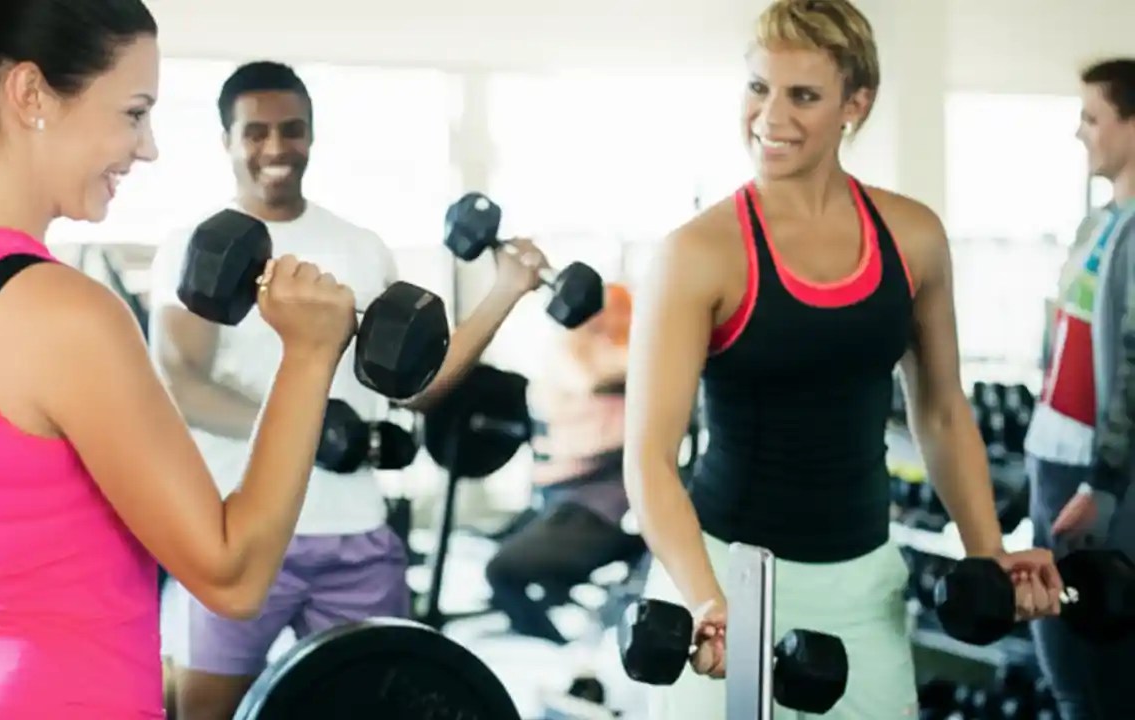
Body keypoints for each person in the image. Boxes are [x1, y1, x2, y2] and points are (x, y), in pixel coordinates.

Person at [0, 1, 364, 718]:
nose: (147, 146)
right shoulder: (61, 311)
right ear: (30, 94)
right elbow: (233, 574)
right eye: (133, 112)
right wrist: (309, 357)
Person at [622, 1, 1063, 718]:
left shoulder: (912, 236)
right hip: (720, 575)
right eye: (758, 87)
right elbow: (648, 458)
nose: (770, 117)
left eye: (803, 95)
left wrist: (988, 554)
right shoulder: (697, 253)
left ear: (856, 104)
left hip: (861, 582)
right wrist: (707, 598)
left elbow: (943, 411)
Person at [148, 60, 550, 720]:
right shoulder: (193, 246)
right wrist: (313, 431)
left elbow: (415, 391)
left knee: (375, 706)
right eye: (255, 132)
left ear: (312, 135)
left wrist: (506, 291)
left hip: (354, 535)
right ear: (226, 140)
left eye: (292, 129)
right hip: (236, 529)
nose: (275, 147)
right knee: (204, 715)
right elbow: (182, 386)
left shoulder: (359, 248)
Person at [1022, 57, 1135, 720]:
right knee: (1063, 673)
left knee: (1098, 679)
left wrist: (1106, 482)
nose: (1080, 132)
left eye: (1093, 117)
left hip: (1095, 482)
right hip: (1053, 462)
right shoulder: (1099, 225)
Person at [485, 283, 645, 646]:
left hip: (597, 501)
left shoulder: (629, 357)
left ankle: (563, 655)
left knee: (501, 572)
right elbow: (591, 378)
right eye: (610, 311)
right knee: (501, 574)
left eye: (622, 311)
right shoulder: (572, 351)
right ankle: (557, 646)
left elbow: (608, 377)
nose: (618, 319)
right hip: (557, 495)